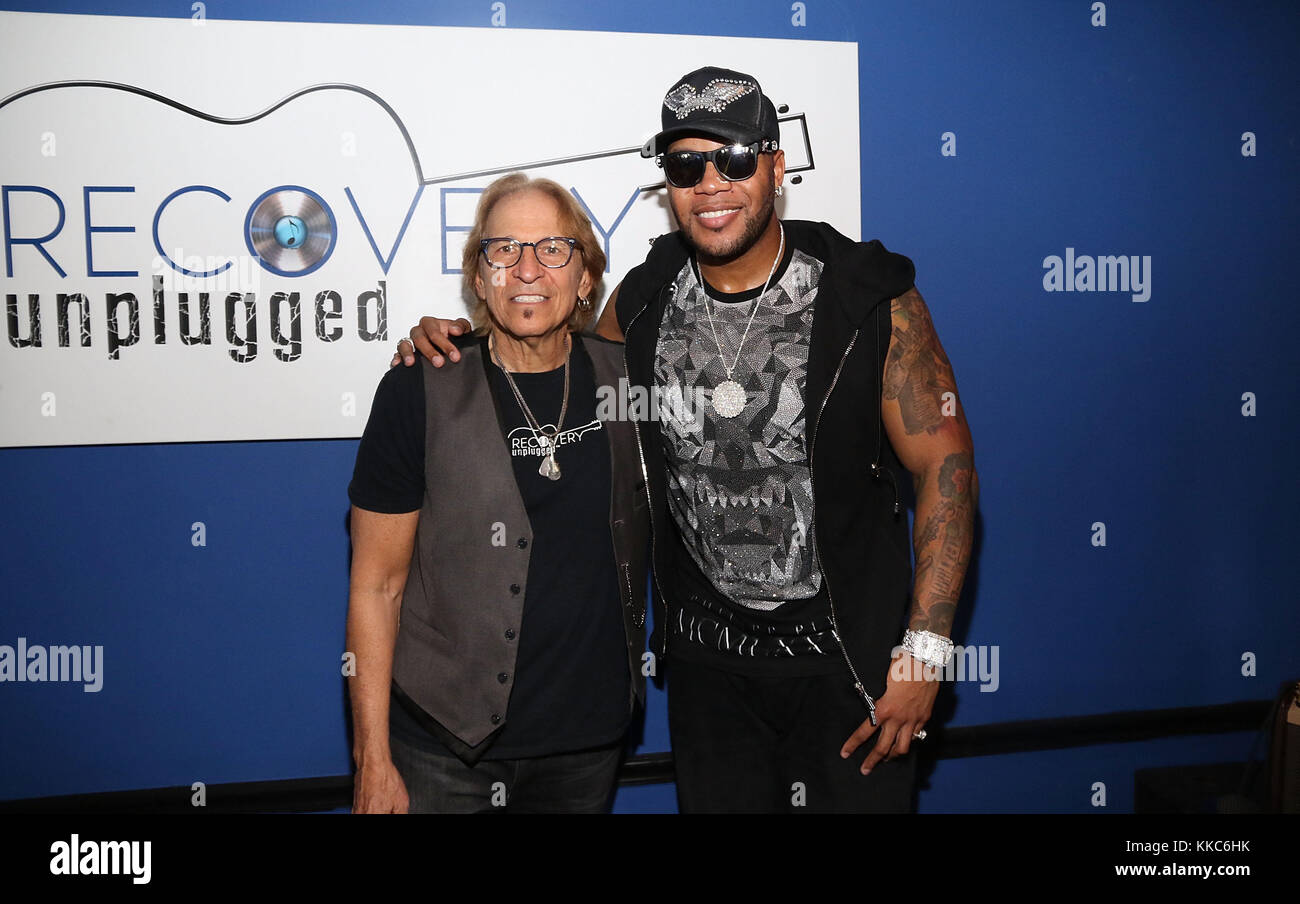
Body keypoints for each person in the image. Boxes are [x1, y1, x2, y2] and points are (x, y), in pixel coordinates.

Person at [397, 67, 978, 813]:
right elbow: (544, 357)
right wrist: (450, 344)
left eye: (735, 158)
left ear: (776, 166)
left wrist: (924, 652)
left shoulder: (863, 295)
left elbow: (947, 467)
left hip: (849, 673)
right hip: (710, 680)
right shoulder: (641, 299)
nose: (711, 183)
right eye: (686, 164)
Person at [347, 173, 649, 813]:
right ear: (480, 278)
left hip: (585, 742)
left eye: (552, 249)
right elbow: (376, 586)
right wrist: (371, 756)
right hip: (444, 745)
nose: (528, 268)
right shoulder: (418, 389)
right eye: (503, 249)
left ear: (585, 278)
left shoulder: (627, 383)